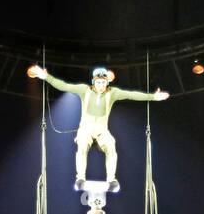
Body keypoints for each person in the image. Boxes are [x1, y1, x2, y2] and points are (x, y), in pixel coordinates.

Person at [31, 65, 168, 191]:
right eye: (98, 82)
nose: (101, 85)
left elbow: (131, 95)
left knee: (111, 145)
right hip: (86, 129)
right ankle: (80, 178)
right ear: (93, 82)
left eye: (103, 82)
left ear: (107, 82)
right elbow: (64, 86)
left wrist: (153, 97)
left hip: (102, 130)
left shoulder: (112, 93)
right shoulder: (85, 90)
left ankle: (111, 180)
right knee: (82, 145)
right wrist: (46, 77)